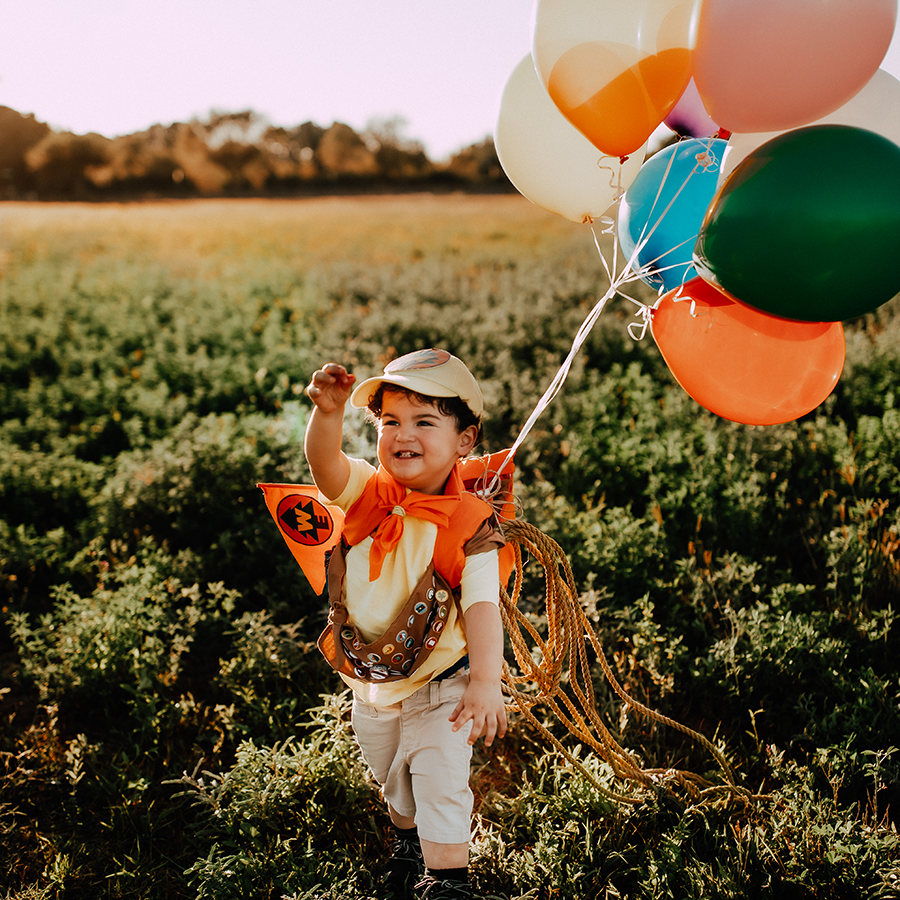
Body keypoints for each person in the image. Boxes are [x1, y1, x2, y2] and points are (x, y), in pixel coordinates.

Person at [304, 348, 508, 900]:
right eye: (390, 421)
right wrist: (327, 414)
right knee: (392, 774)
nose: (403, 434)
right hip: (373, 676)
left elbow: (483, 606)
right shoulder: (369, 490)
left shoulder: (470, 523)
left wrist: (487, 681)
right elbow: (325, 468)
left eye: (424, 421)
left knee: (440, 776)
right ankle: (409, 844)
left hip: (444, 677)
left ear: (464, 441)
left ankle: (448, 883)